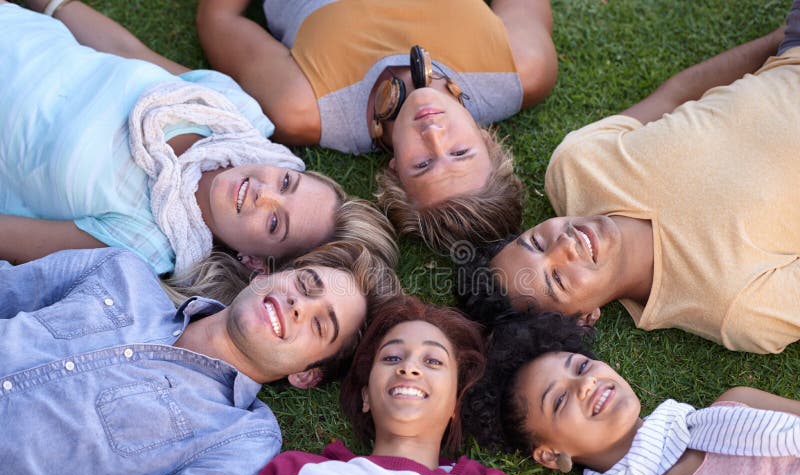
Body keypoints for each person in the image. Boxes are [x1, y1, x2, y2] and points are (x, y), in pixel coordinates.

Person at [0, 242, 399, 475]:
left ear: (305, 375)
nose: (299, 305)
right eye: (305, 284)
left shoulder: (240, 439)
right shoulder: (119, 270)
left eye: (318, 325)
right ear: (266, 275)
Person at [482, 5, 800, 353]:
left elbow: (675, 95)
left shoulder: (576, 167)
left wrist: (782, 38)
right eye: (557, 279)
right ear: (584, 318)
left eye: (537, 243)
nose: (564, 245)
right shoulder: (738, 310)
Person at [0, 1, 397, 278]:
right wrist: (49, 3)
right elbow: (127, 51)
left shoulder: (146, 244)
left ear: (255, 262)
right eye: (286, 182)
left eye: (275, 222)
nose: (264, 192)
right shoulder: (232, 113)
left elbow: (9, 234)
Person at [196, 0, 559, 251]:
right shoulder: (522, 67)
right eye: (460, 152)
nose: (433, 136)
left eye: (423, 165)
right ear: (487, 141)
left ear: (395, 170)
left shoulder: (305, 106)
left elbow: (220, 19)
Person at [217, 296, 541, 475]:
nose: (408, 367)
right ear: (366, 396)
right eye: (392, 357)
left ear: (455, 405)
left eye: (433, 362)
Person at [464, 311, 800, 475]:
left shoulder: (737, 406)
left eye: (581, 367)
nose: (586, 384)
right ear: (551, 455)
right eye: (560, 399)